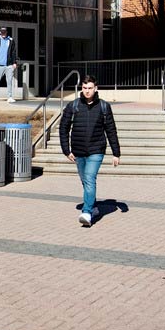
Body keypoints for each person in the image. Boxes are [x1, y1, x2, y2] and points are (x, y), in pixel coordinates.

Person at [59, 75, 120, 227]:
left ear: (96, 88)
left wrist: (116, 153)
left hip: (96, 150)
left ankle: (86, 212)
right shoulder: (73, 106)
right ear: (82, 89)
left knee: (89, 178)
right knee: (85, 180)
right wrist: (66, 150)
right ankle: (93, 207)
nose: (87, 91)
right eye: (85, 88)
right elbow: (63, 128)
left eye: (90, 88)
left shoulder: (104, 107)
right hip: (78, 151)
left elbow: (111, 130)